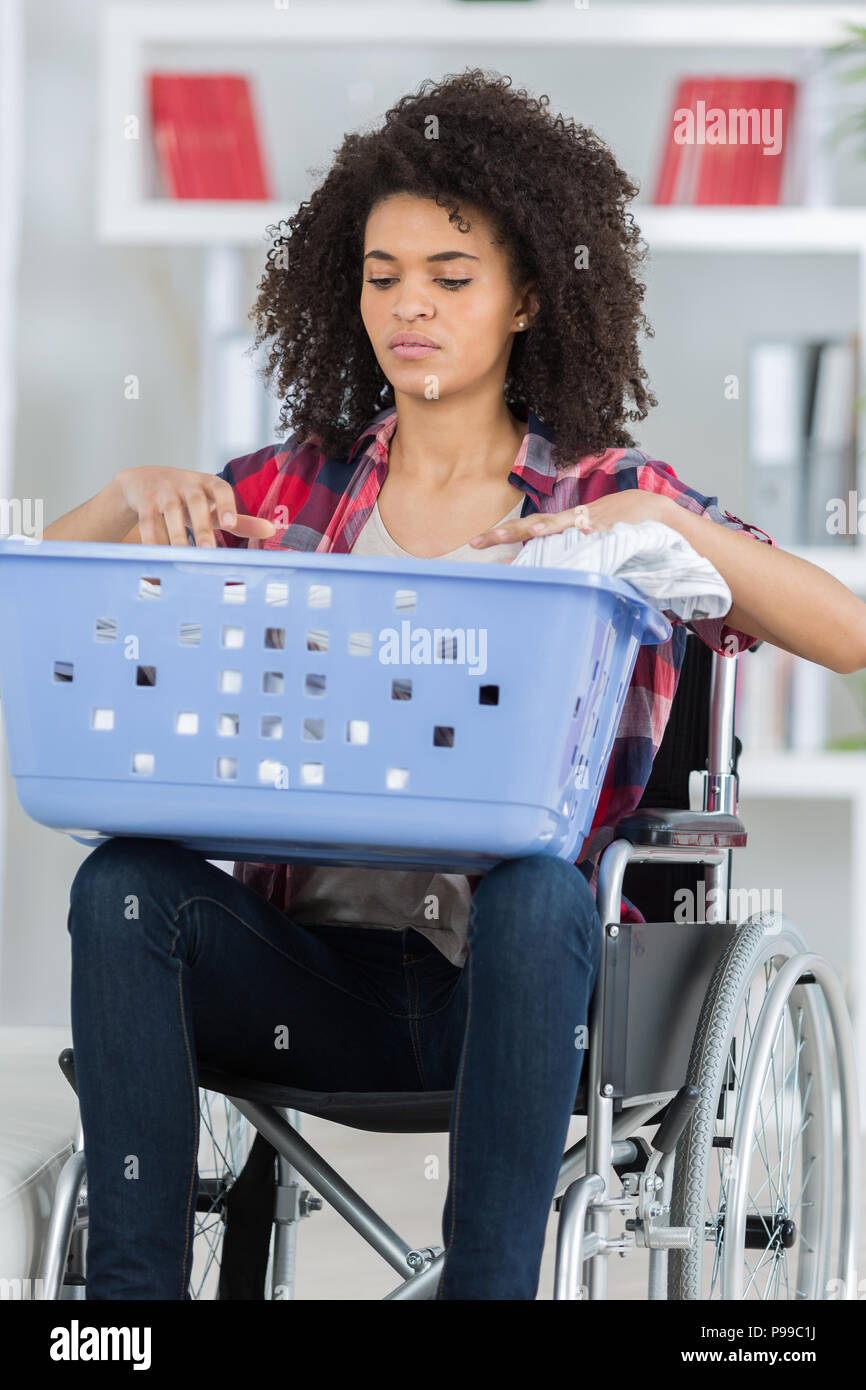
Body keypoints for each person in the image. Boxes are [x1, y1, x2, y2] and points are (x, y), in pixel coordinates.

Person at [46, 70, 866, 1300]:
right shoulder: (288, 493)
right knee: (122, 883)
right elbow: (44, 602)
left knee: (539, 894)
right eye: (382, 276)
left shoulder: (605, 498)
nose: (408, 306)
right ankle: (131, 1315)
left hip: (519, 988)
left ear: (527, 296)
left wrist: (657, 521)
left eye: (449, 274)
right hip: (312, 981)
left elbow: (846, 633)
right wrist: (120, 504)